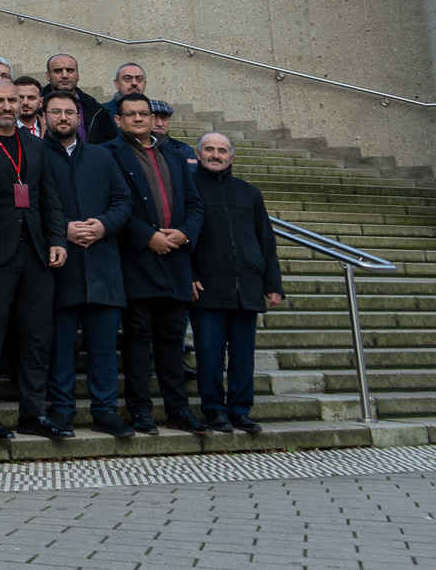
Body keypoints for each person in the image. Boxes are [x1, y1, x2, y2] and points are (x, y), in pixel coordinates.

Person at [0, 79, 69, 441]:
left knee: (38, 336)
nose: (8, 106)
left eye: (15, 99)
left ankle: (33, 413)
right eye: (0, 100)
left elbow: (48, 197)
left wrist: (57, 239)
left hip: (36, 252)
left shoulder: (35, 145)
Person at [40, 90, 134, 438]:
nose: (62, 117)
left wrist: (103, 225)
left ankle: (105, 410)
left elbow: (124, 200)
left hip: (102, 263)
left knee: (103, 347)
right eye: (55, 112)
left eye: (69, 112)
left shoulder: (102, 156)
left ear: (79, 118)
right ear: (43, 115)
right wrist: (60, 229)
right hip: (59, 264)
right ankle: (61, 409)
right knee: (60, 346)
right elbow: (29, 204)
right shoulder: (34, 156)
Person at [111, 93, 207, 434]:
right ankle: (140, 410)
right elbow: (115, 204)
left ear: (154, 119)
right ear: (118, 120)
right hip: (137, 260)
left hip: (177, 260)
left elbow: (195, 205)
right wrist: (147, 236)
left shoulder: (176, 156)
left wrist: (184, 234)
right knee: (137, 339)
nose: (138, 119)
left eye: (144, 114)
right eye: (130, 114)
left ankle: (178, 409)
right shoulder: (110, 154)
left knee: (172, 340)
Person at [190, 132, 284, 433]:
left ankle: (241, 410)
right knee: (209, 355)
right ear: (198, 153)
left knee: (243, 356)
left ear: (232, 157)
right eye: (209, 149)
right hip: (207, 286)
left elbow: (266, 241)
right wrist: (188, 275)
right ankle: (215, 410)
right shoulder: (187, 188)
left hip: (247, 286)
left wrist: (273, 282)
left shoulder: (250, 193)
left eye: (222, 150)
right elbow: (183, 238)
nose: (215, 155)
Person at [45, 54, 117, 145]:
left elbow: (109, 146)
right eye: (58, 71)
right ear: (48, 76)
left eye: (70, 70)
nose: (65, 75)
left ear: (78, 75)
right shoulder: (35, 106)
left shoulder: (96, 110)